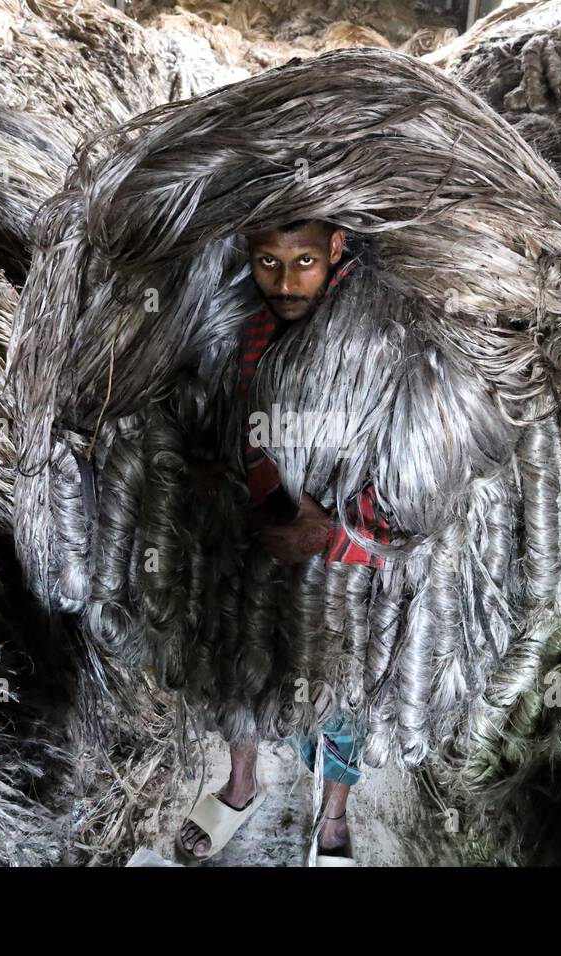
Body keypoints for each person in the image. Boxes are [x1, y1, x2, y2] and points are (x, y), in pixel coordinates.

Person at [178, 219, 388, 864]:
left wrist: (336, 531)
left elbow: (421, 469)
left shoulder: (378, 337)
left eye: (303, 261)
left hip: (344, 558)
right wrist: (219, 470)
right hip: (255, 530)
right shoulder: (251, 330)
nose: (286, 281)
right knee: (239, 659)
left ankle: (332, 815)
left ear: (335, 248)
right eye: (268, 262)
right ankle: (242, 783)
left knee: (338, 684)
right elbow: (237, 417)